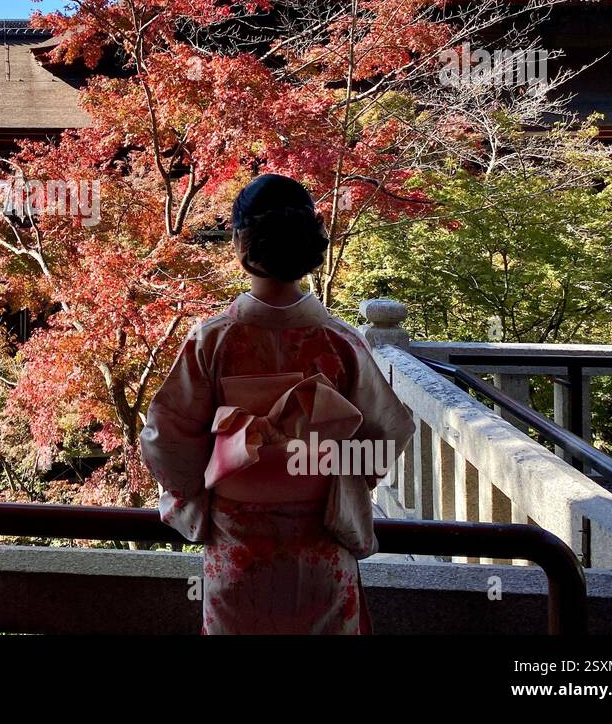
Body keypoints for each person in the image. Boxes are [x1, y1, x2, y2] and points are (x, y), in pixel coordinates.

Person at [140, 174, 414, 634]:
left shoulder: (213, 341)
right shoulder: (339, 342)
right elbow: (386, 434)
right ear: (309, 243)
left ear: (239, 242)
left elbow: (165, 440)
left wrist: (207, 492)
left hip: (238, 549)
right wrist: (328, 471)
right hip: (321, 546)